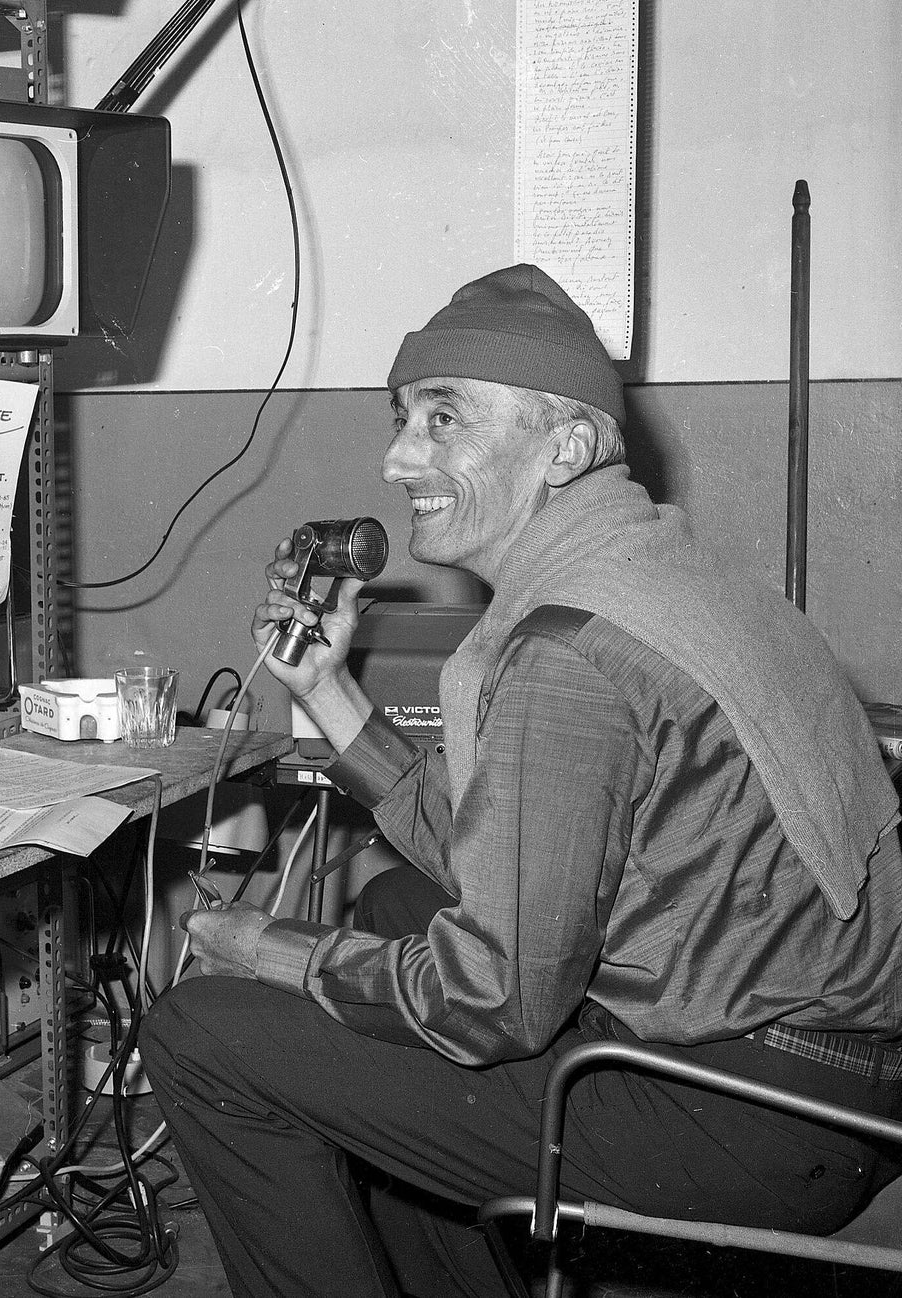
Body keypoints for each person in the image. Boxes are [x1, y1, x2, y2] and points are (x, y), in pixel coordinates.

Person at [137, 264, 902, 1298]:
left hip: (747, 1117)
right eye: (403, 415)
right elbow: (496, 843)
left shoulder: (566, 654)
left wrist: (262, 947)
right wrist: (324, 691)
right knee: (400, 901)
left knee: (201, 1034)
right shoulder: (657, 574)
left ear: (568, 446)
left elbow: (487, 1001)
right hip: (834, 1077)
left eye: (442, 418)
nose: (398, 454)